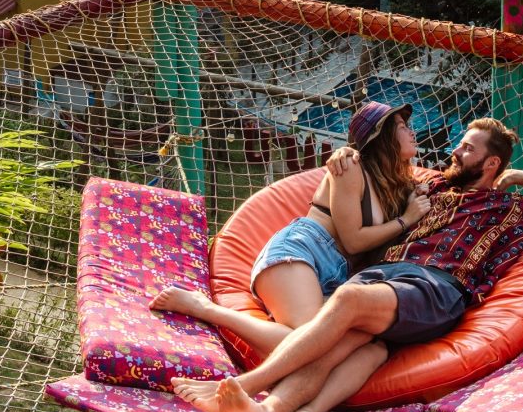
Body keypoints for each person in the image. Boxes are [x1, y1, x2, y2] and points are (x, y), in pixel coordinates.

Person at [171, 117, 523, 412]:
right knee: (354, 342)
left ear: (489, 163)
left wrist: (518, 176)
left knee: (349, 299)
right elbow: (375, 164)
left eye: (467, 148)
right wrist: (344, 155)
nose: (454, 150)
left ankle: (241, 388)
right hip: (386, 280)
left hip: (436, 286)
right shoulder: (429, 185)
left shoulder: (510, 206)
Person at [151, 100, 430, 357]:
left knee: (337, 341)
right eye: (403, 127)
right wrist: (405, 219)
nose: (412, 133)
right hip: (303, 250)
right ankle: (205, 309)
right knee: (309, 341)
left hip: (337, 277)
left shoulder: (397, 187)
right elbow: (354, 241)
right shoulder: (351, 168)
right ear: (381, 137)